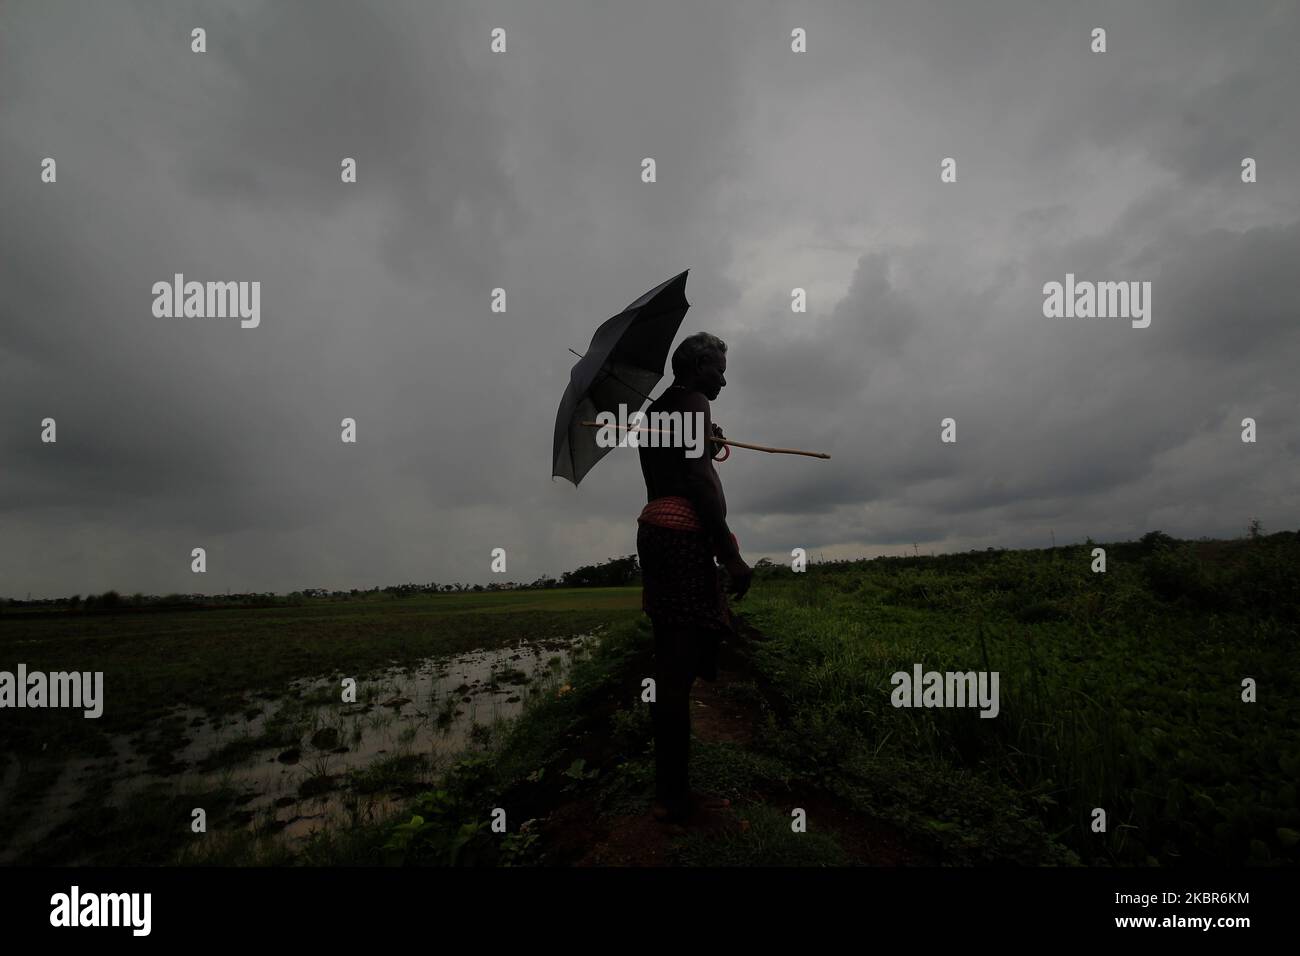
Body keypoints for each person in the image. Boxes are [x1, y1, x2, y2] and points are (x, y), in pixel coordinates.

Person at [636, 332, 753, 825]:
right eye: (719, 369)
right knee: (676, 676)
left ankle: (670, 792)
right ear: (698, 365)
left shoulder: (660, 410)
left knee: (671, 669)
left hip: (657, 535)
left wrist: (705, 438)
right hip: (683, 541)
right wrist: (730, 554)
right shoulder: (694, 403)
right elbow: (698, 480)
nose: (723, 378)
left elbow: (680, 461)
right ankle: (675, 800)